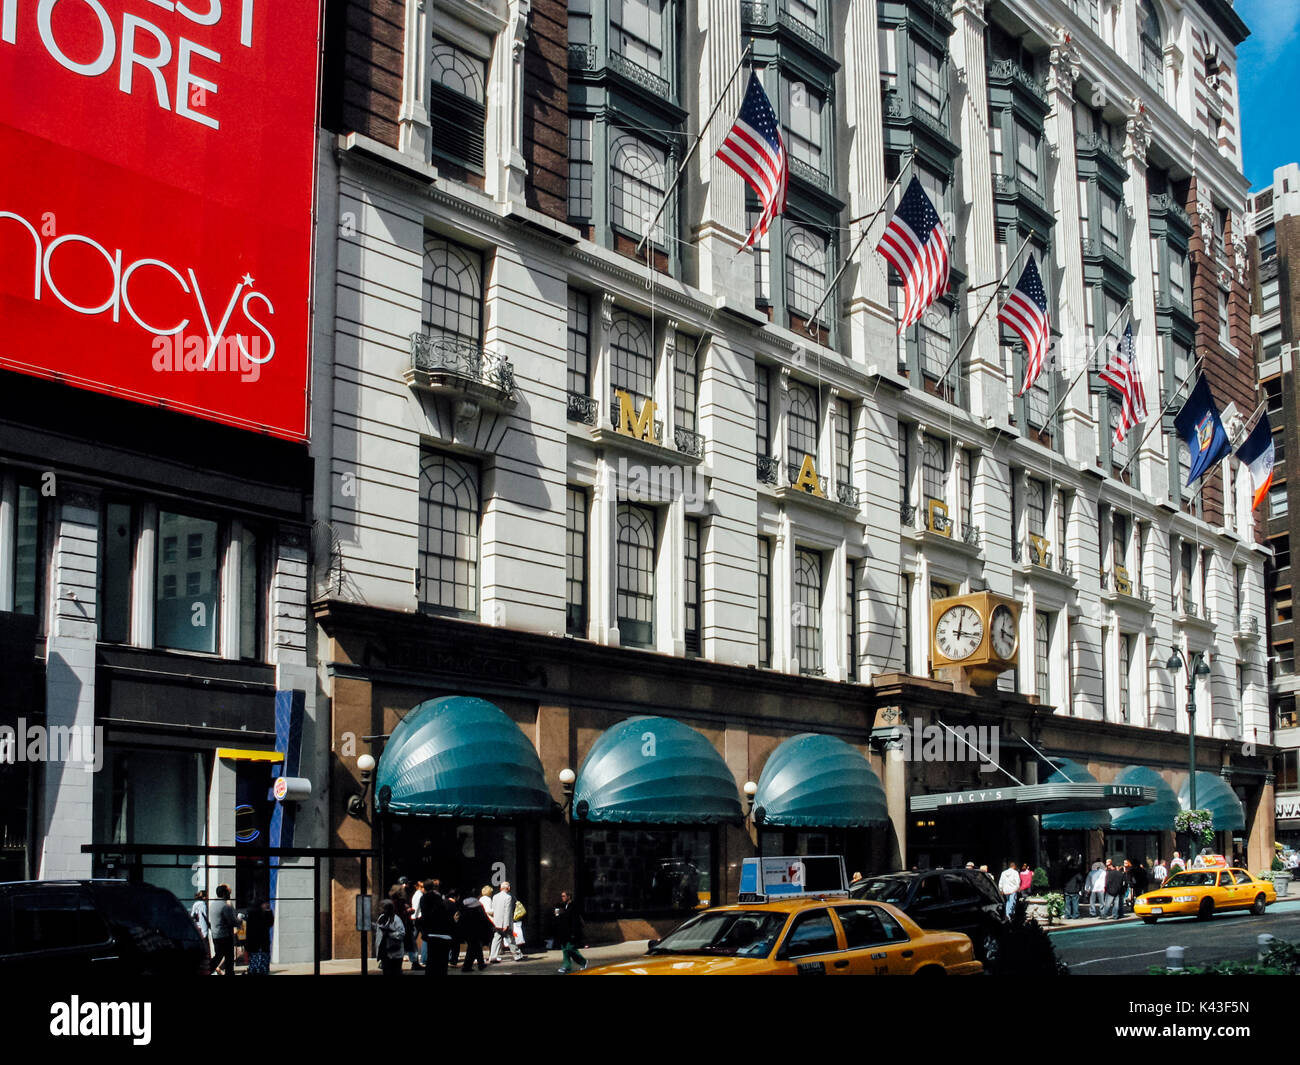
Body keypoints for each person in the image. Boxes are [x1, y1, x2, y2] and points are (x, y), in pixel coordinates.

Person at [417, 880, 453, 976]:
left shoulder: (423, 898)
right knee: (442, 962)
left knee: (432, 961)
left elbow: (424, 915)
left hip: (431, 932)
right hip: (443, 932)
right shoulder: (439, 898)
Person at [208, 884, 241, 976]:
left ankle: (208, 970)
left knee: (218, 955)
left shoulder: (212, 905)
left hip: (215, 935)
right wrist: (240, 920)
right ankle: (229, 973)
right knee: (229, 958)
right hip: (225, 936)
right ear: (224, 893)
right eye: (227, 892)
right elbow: (232, 921)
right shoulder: (225, 906)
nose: (229, 894)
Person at [488, 880, 524, 962]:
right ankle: (517, 955)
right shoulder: (508, 897)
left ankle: (493, 957)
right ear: (508, 888)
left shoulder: (495, 897)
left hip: (497, 922)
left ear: (501, 888)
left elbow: (494, 909)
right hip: (505, 923)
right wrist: (506, 924)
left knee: (496, 939)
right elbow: (507, 911)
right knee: (511, 939)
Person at [459, 890, 493, 972]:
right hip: (476, 930)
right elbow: (484, 917)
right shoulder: (478, 905)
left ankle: (480, 964)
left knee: (475, 947)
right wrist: (490, 926)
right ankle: (467, 966)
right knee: (473, 948)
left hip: (466, 930)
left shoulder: (463, 905)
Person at [553, 891, 587, 973]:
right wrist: (558, 914)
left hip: (571, 932)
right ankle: (566, 966)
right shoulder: (565, 906)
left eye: (564, 896)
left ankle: (583, 962)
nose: (562, 897)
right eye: (562, 896)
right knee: (564, 949)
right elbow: (563, 918)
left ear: (569, 896)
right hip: (564, 932)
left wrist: (574, 933)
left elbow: (574, 921)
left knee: (570, 948)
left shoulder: (573, 906)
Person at [375, 899, 406, 976]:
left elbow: (401, 934)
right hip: (385, 952)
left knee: (395, 971)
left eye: (382, 908)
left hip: (395, 953)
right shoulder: (381, 917)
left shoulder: (396, 920)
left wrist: (389, 934)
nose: (380, 910)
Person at [244, 897, 274, 975]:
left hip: (253, 946)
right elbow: (270, 923)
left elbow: (248, 933)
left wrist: (246, 947)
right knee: (262, 967)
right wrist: (268, 910)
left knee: (254, 966)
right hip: (262, 945)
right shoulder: (262, 914)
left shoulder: (250, 914)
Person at [190, 889, 211, 961]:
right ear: (204, 897)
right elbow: (204, 916)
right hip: (203, 929)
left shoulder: (195, 904)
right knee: (206, 950)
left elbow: (192, 916)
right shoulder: (203, 904)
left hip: (197, 928)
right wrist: (209, 925)